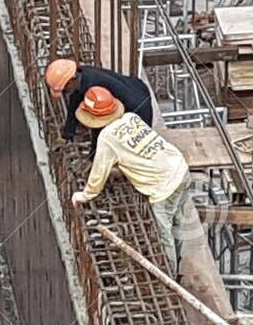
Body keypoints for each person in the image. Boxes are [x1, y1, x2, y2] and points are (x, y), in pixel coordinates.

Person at [69, 87, 193, 276]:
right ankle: (177, 264)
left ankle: (170, 277)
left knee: (163, 234)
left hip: (163, 185)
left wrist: (85, 195)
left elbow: (98, 174)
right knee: (177, 222)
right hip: (180, 167)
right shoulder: (131, 118)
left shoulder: (107, 138)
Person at [45, 58, 155, 133]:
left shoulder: (92, 88)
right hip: (138, 88)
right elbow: (75, 101)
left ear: (70, 82)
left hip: (137, 112)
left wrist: (93, 156)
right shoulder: (83, 73)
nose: (66, 93)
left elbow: (98, 123)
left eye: (64, 90)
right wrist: (68, 133)